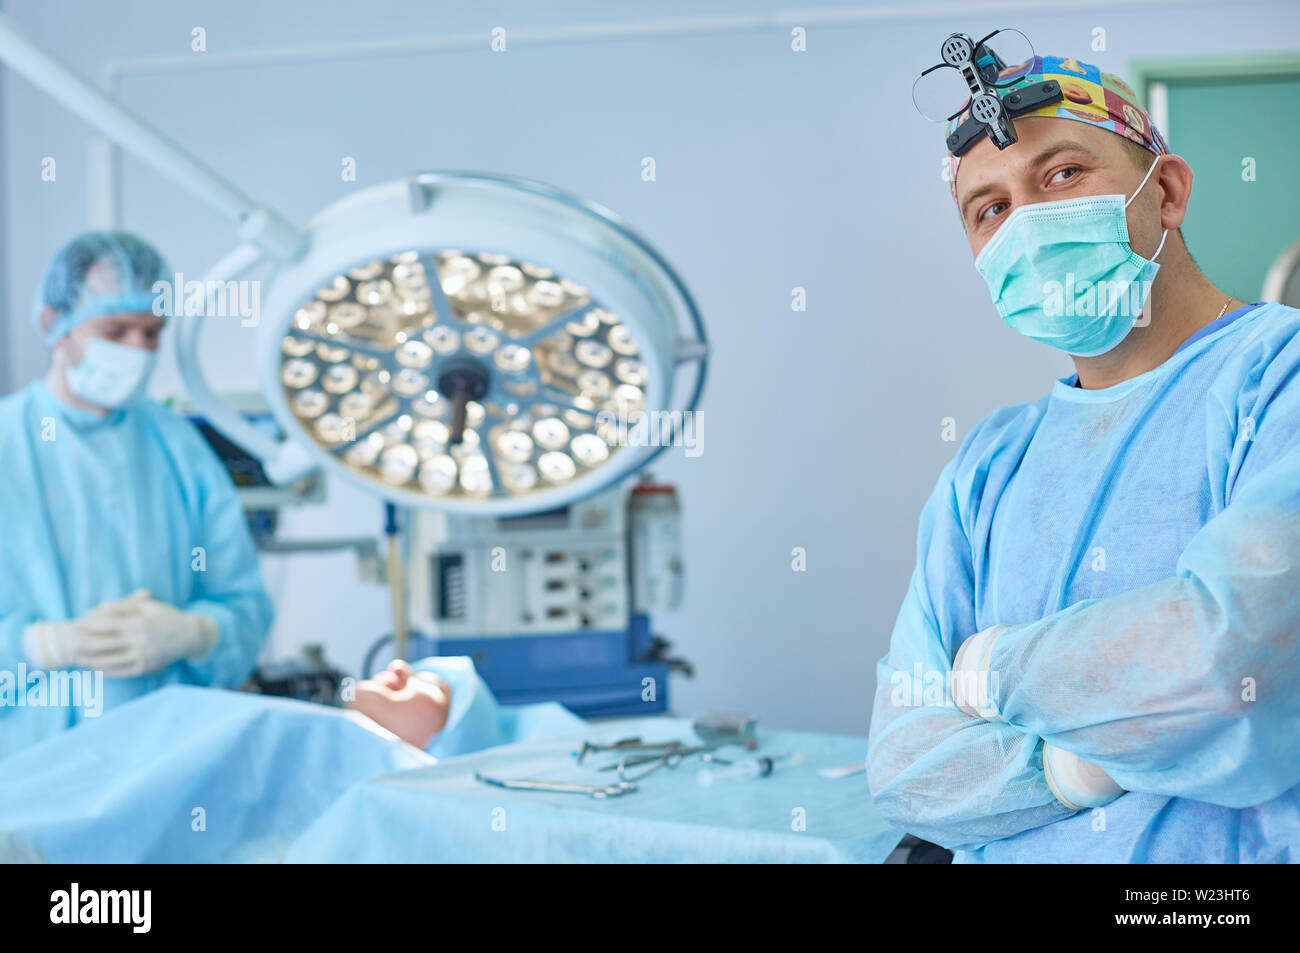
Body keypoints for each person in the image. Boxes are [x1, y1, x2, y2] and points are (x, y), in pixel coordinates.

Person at [867, 55, 1300, 862]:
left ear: (1166, 192)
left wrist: (988, 667)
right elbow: (906, 764)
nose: (1025, 223)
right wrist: (1078, 763)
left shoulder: (1277, 378)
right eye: (989, 209)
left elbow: (1242, 666)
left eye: (1062, 173)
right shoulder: (989, 465)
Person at [0, 231, 273, 759]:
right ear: (51, 323)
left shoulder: (177, 445)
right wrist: (36, 647)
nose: (138, 350)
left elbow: (243, 603)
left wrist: (198, 633)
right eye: (115, 329)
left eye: (152, 333)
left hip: (165, 761)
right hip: (26, 770)